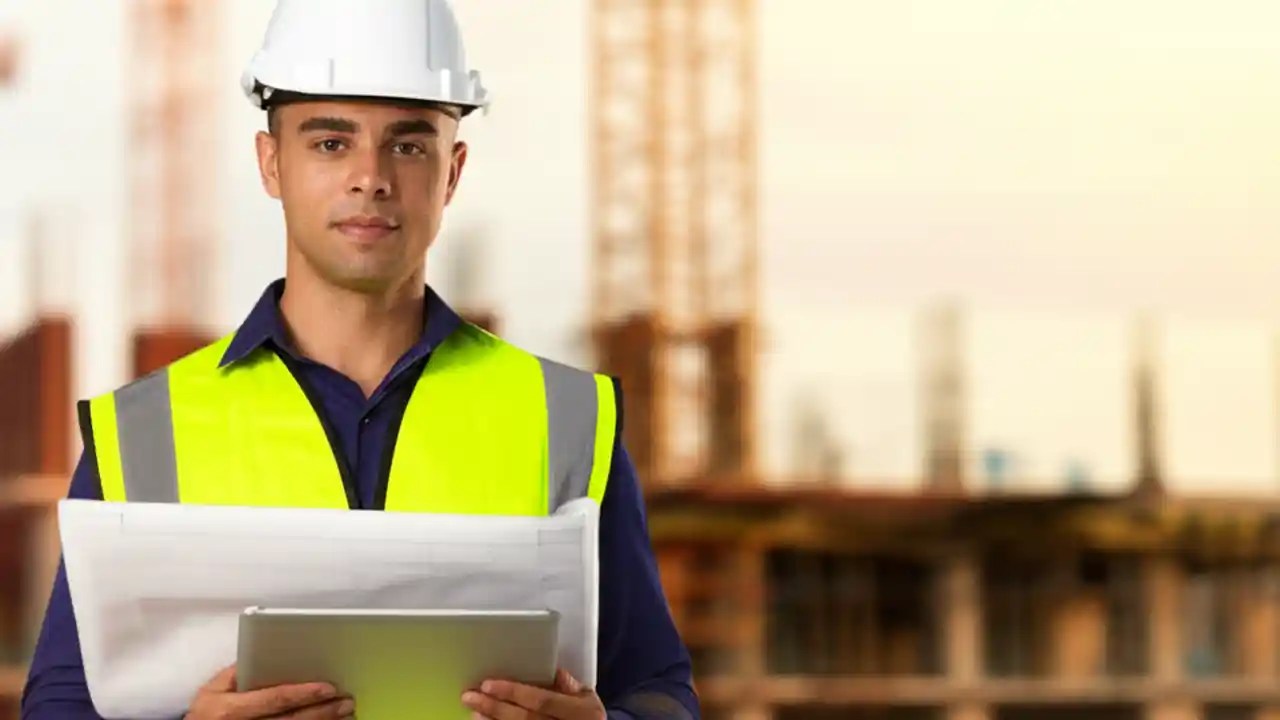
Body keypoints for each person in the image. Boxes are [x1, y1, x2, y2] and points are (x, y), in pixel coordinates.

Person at [20, 1, 699, 719]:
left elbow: (658, 691)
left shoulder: (566, 419)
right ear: (271, 162)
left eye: (407, 146)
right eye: (330, 142)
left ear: (452, 172)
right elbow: (61, 705)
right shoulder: (144, 432)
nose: (369, 177)